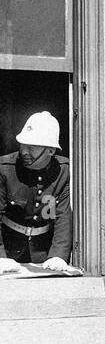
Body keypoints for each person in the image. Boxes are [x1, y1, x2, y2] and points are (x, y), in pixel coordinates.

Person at [0, 112, 75, 274]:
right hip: (8, 251)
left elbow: (62, 215)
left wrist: (58, 255)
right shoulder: (4, 169)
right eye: (22, 145)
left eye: (31, 147)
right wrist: (0, 256)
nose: (24, 152)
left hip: (43, 254)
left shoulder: (63, 171)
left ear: (51, 151)